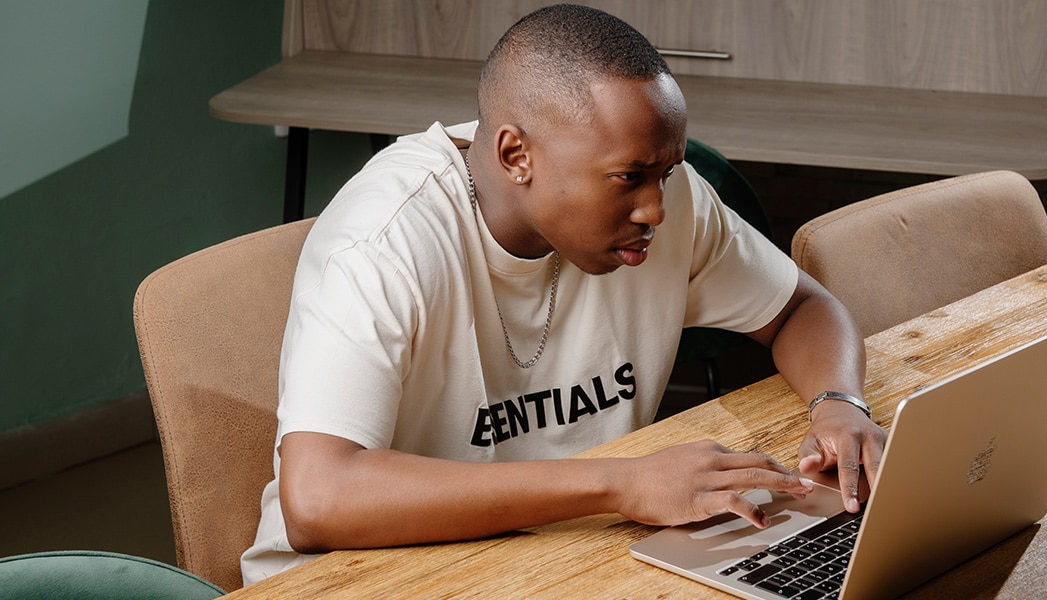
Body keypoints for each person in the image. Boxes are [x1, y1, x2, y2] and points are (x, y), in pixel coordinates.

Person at [240, 3, 886, 584]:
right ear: (516, 155)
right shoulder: (384, 242)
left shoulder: (669, 203)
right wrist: (621, 483)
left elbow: (802, 307)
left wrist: (839, 404)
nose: (656, 209)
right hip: (362, 574)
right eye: (628, 177)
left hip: (559, 555)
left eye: (666, 171)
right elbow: (320, 499)